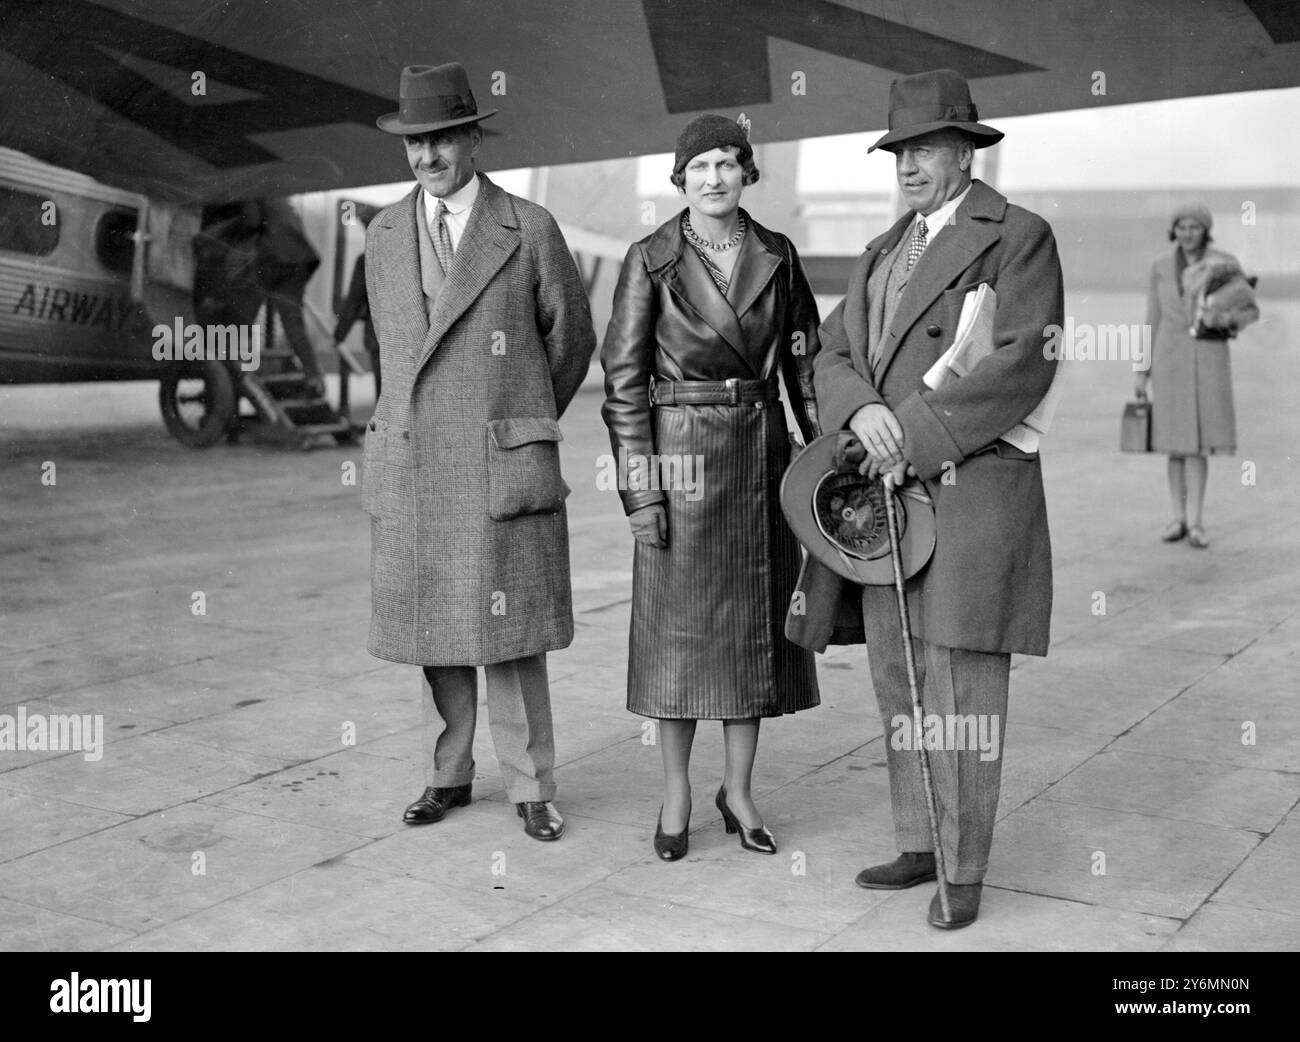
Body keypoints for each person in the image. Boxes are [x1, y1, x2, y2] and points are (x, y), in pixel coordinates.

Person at [790, 70, 1064, 928]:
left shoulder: (1017, 237)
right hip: (885, 511)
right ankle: (918, 837)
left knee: (961, 693)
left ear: (967, 151)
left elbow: (1023, 361)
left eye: (926, 148)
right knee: (898, 679)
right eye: (898, 151)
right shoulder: (882, 251)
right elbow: (828, 355)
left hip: (966, 496)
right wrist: (862, 409)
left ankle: (964, 866)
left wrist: (905, 435)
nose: (908, 166)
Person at [363, 63, 596, 841]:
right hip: (418, 465)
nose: (426, 156)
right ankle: (448, 775)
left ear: (471, 139)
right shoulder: (385, 234)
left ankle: (532, 785)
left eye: (440, 139)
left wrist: (517, 420)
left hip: (497, 458)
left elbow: (571, 341)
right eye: (414, 142)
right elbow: (393, 354)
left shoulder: (528, 228)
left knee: (511, 631)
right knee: (436, 627)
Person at [601, 114, 821, 862]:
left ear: (747, 173)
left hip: (761, 463)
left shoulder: (778, 257)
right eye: (700, 166)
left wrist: (826, 470)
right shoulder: (650, 260)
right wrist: (640, 492)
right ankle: (677, 794)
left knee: (751, 631)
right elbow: (624, 387)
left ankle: (740, 791)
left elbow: (806, 373)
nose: (715, 178)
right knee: (677, 639)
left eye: (729, 163)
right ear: (680, 178)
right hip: (677, 464)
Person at [1137, 203, 1248, 549]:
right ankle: (1177, 518)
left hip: (1208, 361)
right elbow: (1150, 321)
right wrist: (1142, 372)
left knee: (1198, 445)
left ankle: (1197, 522)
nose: (1187, 233)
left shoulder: (1224, 264)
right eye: (1181, 226)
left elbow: (1243, 312)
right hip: (1169, 363)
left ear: (1205, 230)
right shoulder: (1158, 267)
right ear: (1174, 230)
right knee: (1173, 445)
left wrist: (1224, 319)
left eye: (1194, 227)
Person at [333, 207, 382, 399]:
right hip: (409, 339)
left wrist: (339, 334)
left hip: (378, 337)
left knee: (385, 397)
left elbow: (353, 301)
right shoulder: (410, 254)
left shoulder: (366, 260)